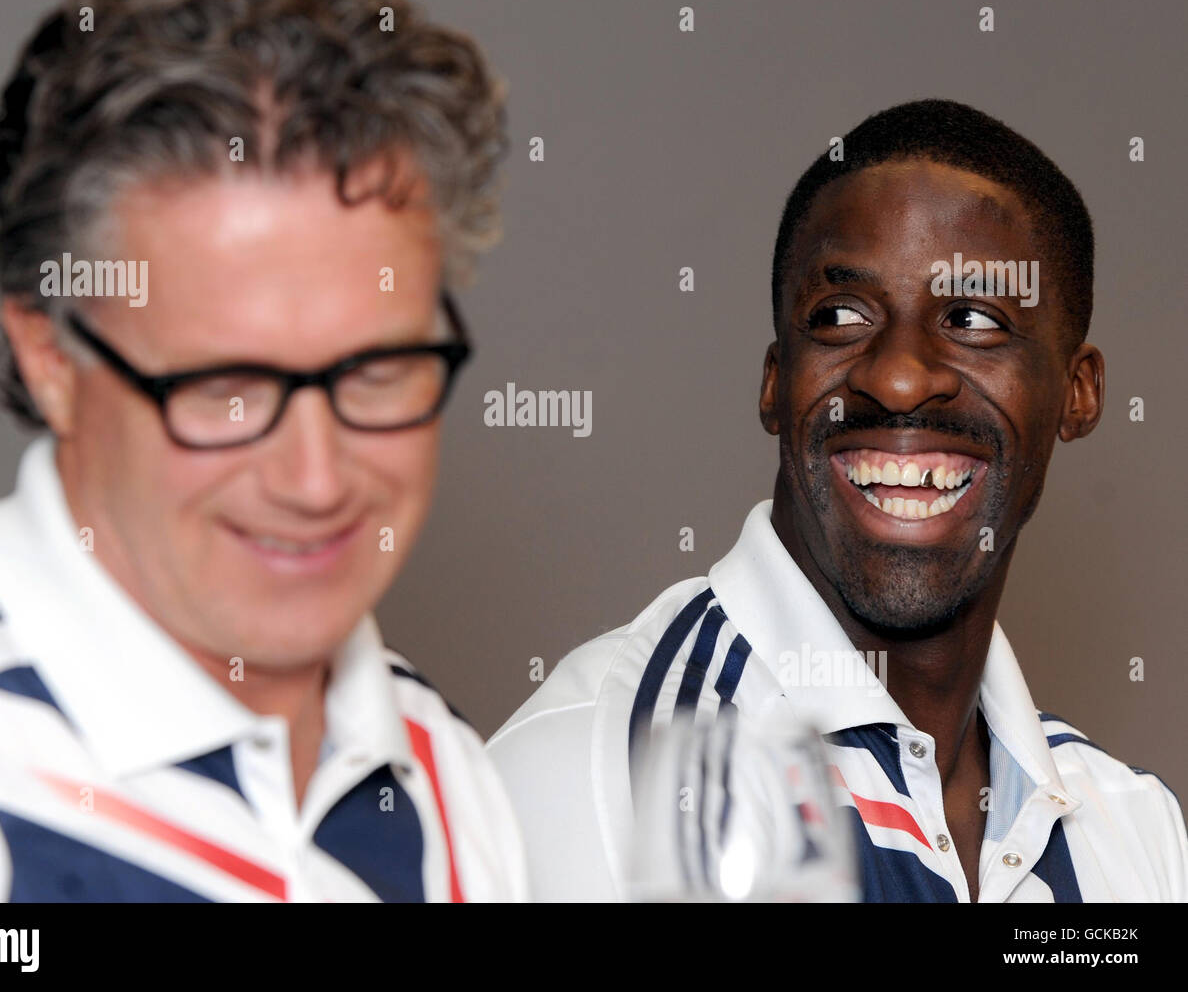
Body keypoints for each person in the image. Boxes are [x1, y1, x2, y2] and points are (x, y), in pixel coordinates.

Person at [0, 0, 525, 903]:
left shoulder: (448, 782)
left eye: (377, 368)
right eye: (225, 385)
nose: (314, 478)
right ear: (51, 356)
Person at [489, 99, 1188, 903]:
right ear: (776, 381)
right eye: (841, 317)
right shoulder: (605, 775)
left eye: (971, 318)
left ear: (1078, 392)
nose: (896, 378)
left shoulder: (1130, 835)